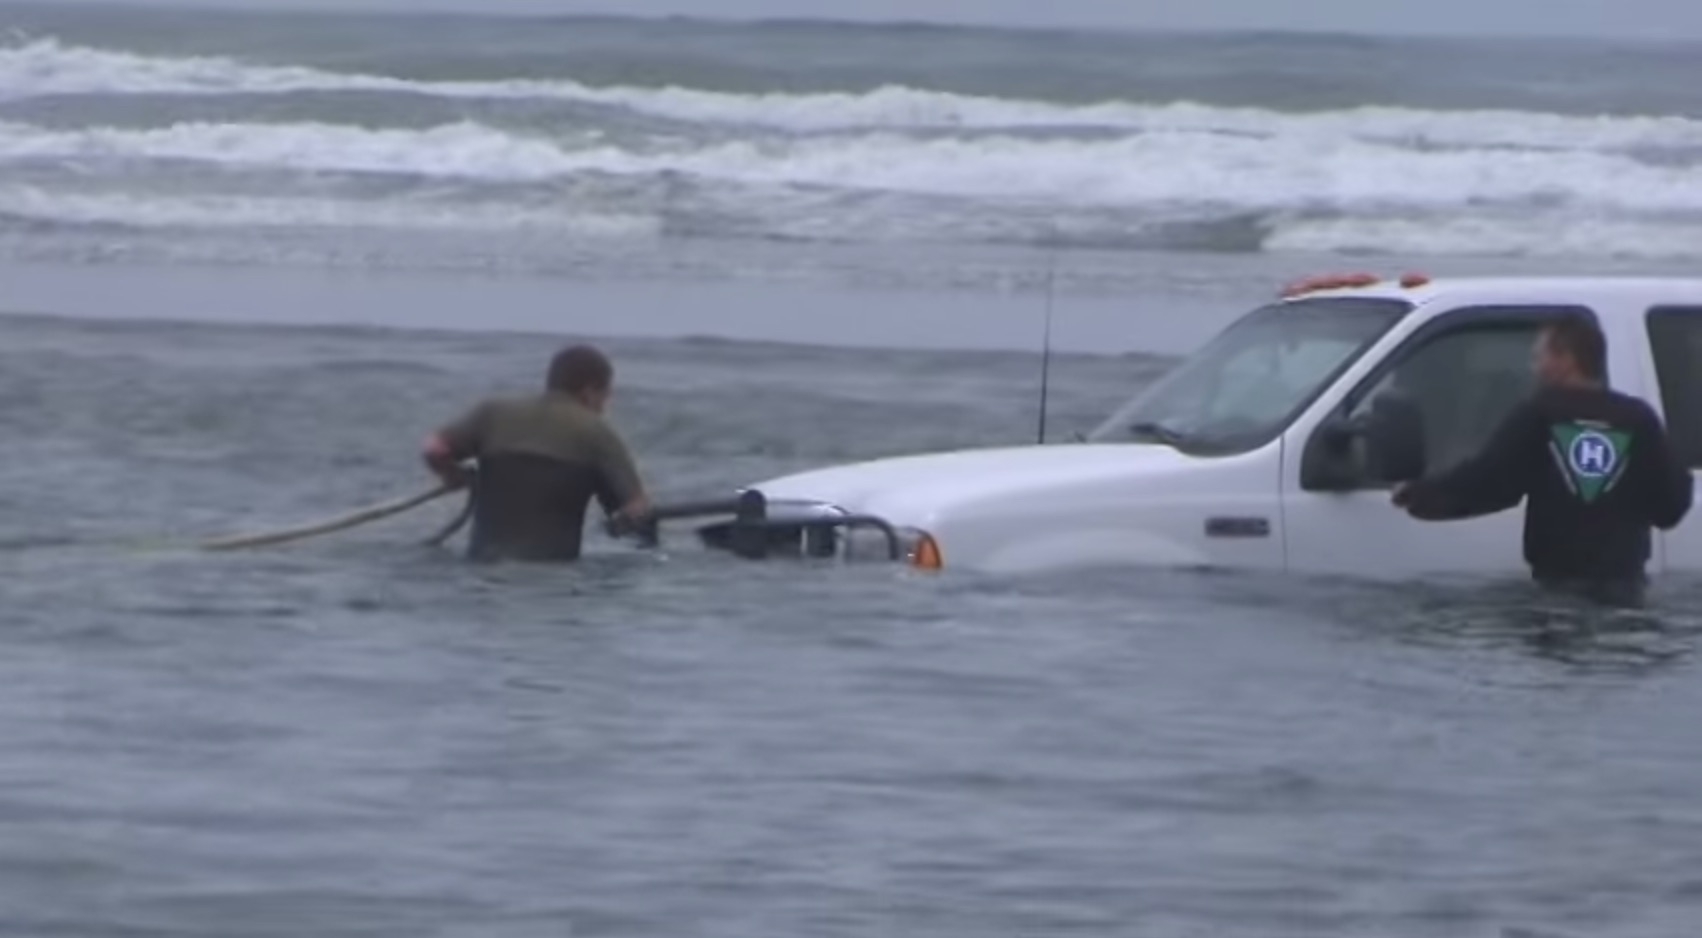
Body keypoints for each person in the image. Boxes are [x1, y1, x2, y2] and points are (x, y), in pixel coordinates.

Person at [1391, 315, 1693, 608]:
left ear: (1566, 359)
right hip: (1627, 590)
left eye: (1539, 357)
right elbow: (1672, 504)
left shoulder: (1540, 413)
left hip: (1557, 589)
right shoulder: (1640, 418)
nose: (1533, 367)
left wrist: (1419, 493)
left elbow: (1488, 478)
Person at [422, 343, 653, 562]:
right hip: (551, 577)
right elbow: (637, 508)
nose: (604, 407)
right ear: (589, 392)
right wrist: (625, 525)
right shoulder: (596, 431)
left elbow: (435, 449)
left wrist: (452, 474)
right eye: (605, 397)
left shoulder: (492, 413)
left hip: (482, 568)